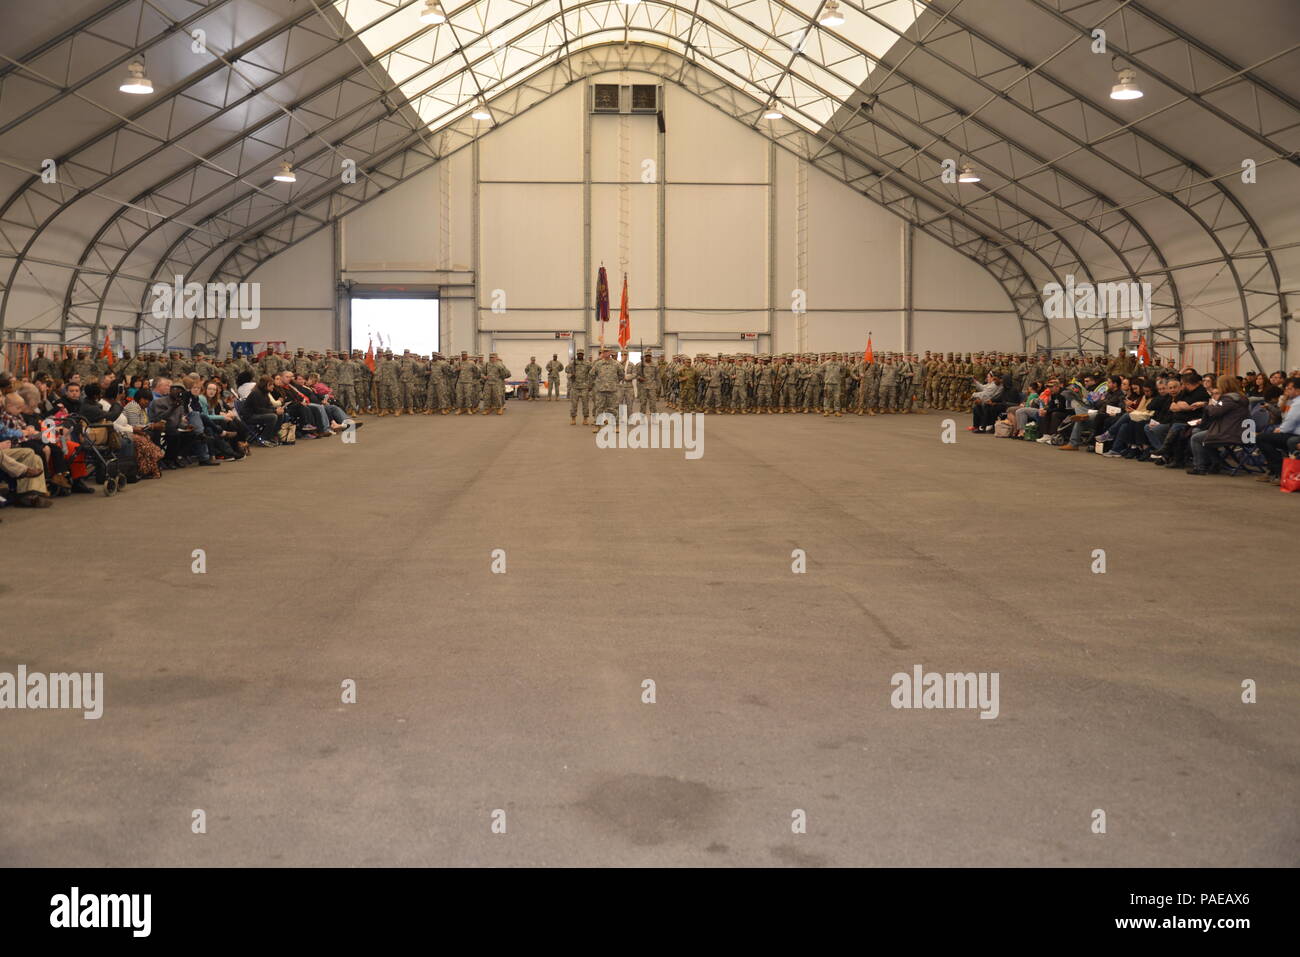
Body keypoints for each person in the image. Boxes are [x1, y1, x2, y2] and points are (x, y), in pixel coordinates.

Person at [1187, 375, 1250, 476]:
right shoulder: (1239, 397)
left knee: (1196, 438)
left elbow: (1214, 412)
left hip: (1231, 432)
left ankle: (1200, 467)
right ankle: (1216, 462)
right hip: (1238, 430)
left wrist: (1208, 405)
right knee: (1200, 434)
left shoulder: (1228, 399)